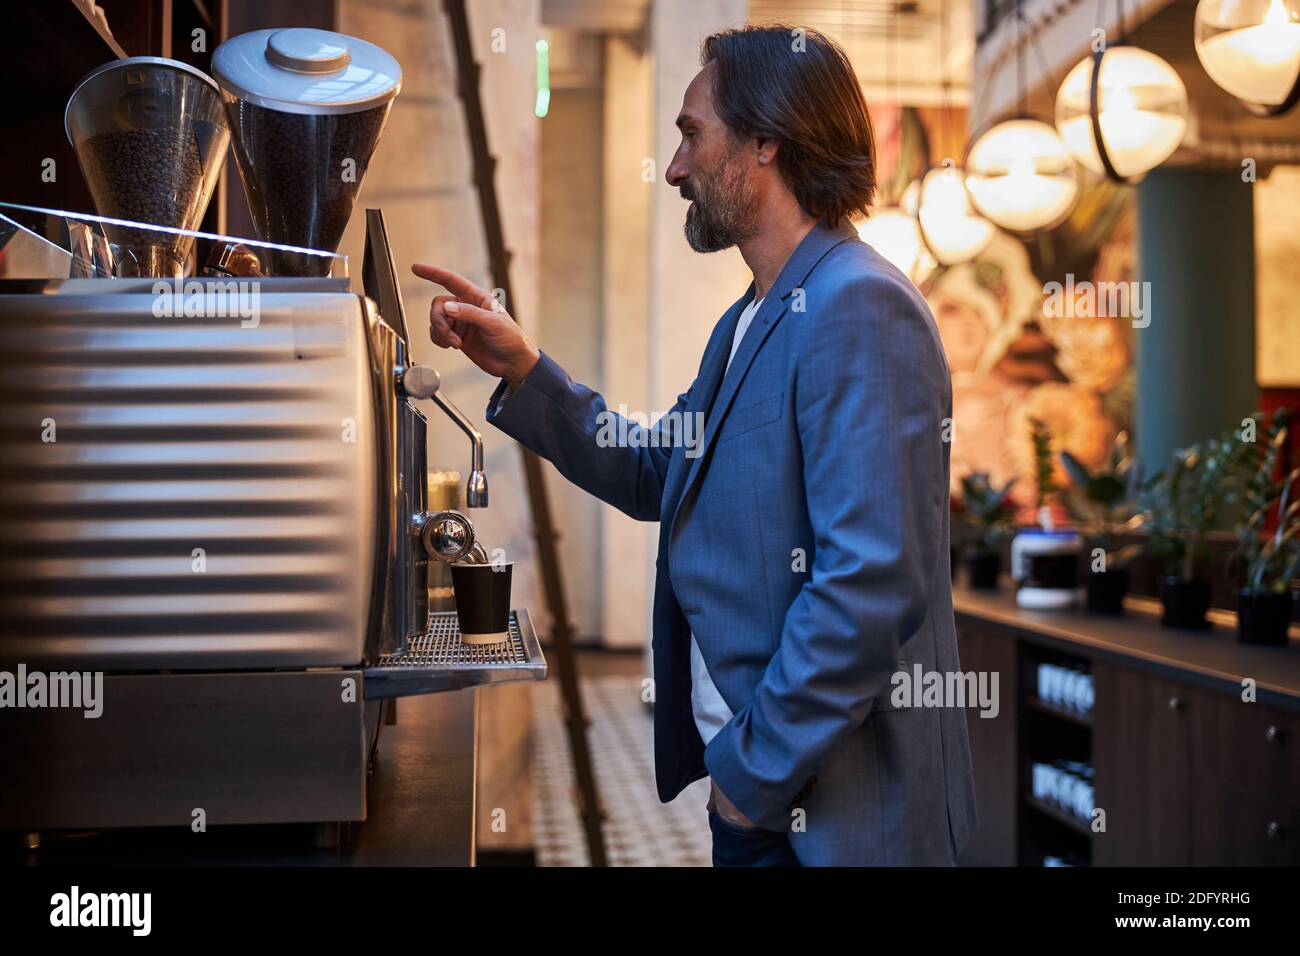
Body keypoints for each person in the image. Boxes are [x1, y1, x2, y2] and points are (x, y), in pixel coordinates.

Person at [413, 24, 976, 867]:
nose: (674, 168)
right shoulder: (750, 317)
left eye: (690, 134)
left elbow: (870, 582)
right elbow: (660, 471)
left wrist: (751, 780)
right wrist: (525, 369)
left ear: (764, 141)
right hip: (767, 796)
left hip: (825, 816)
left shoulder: (860, 305)